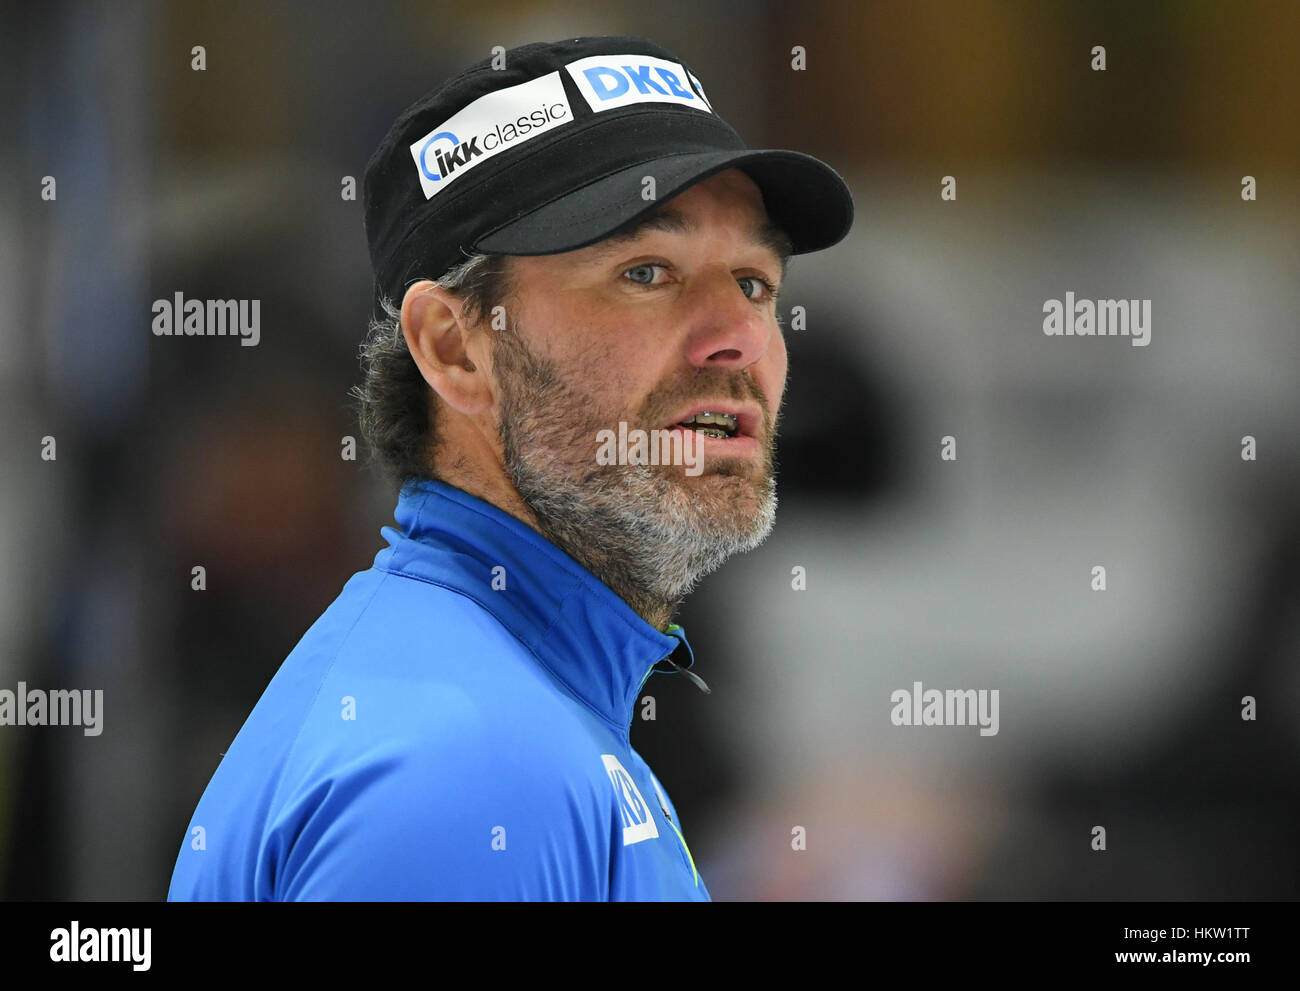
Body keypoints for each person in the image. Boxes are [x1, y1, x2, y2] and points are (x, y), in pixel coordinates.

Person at [167, 34, 852, 901]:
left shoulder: (500, 701)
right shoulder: (471, 768)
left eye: (755, 281)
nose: (740, 337)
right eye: (647, 272)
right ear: (454, 350)